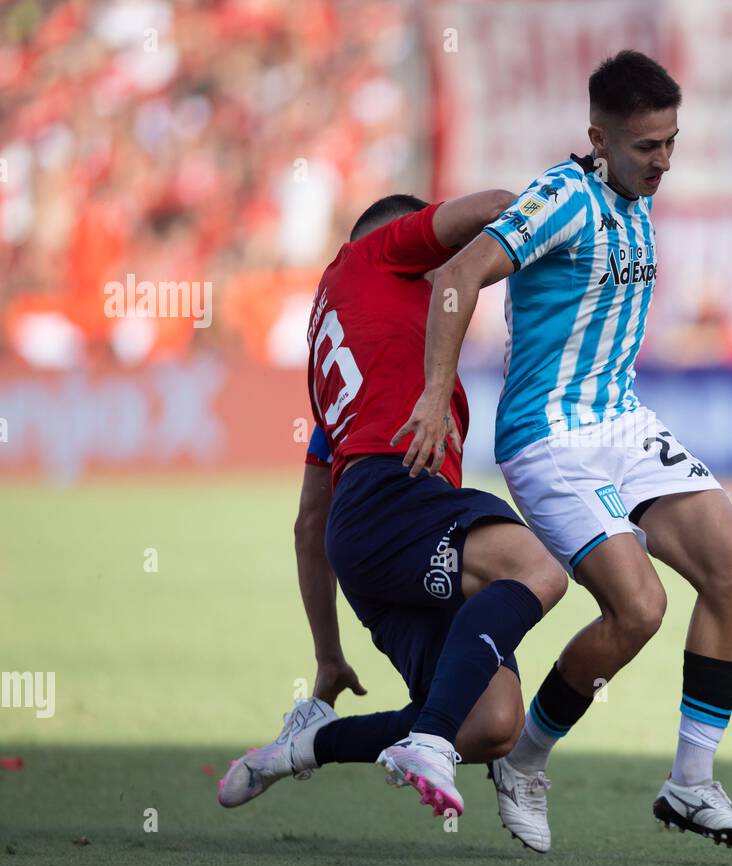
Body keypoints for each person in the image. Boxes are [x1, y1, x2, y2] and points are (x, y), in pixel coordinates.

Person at [394, 51, 732, 852]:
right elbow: (458, 275)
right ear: (599, 138)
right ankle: (524, 761)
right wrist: (434, 392)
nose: (663, 161)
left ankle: (691, 785)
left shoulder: (633, 197)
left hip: (622, 423)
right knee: (639, 610)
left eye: (671, 142)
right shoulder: (561, 198)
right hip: (549, 437)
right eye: (646, 147)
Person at [218, 192, 567, 819]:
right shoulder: (371, 256)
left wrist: (327, 656)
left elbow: (309, 525)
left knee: (491, 724)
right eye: (439, 259)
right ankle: (428, 741)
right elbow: (491, 206)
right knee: (537, 566)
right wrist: (568, 221)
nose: (451, 272)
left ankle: (303, 748)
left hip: (371, 543)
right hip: (396, 496)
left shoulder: (343, 358)